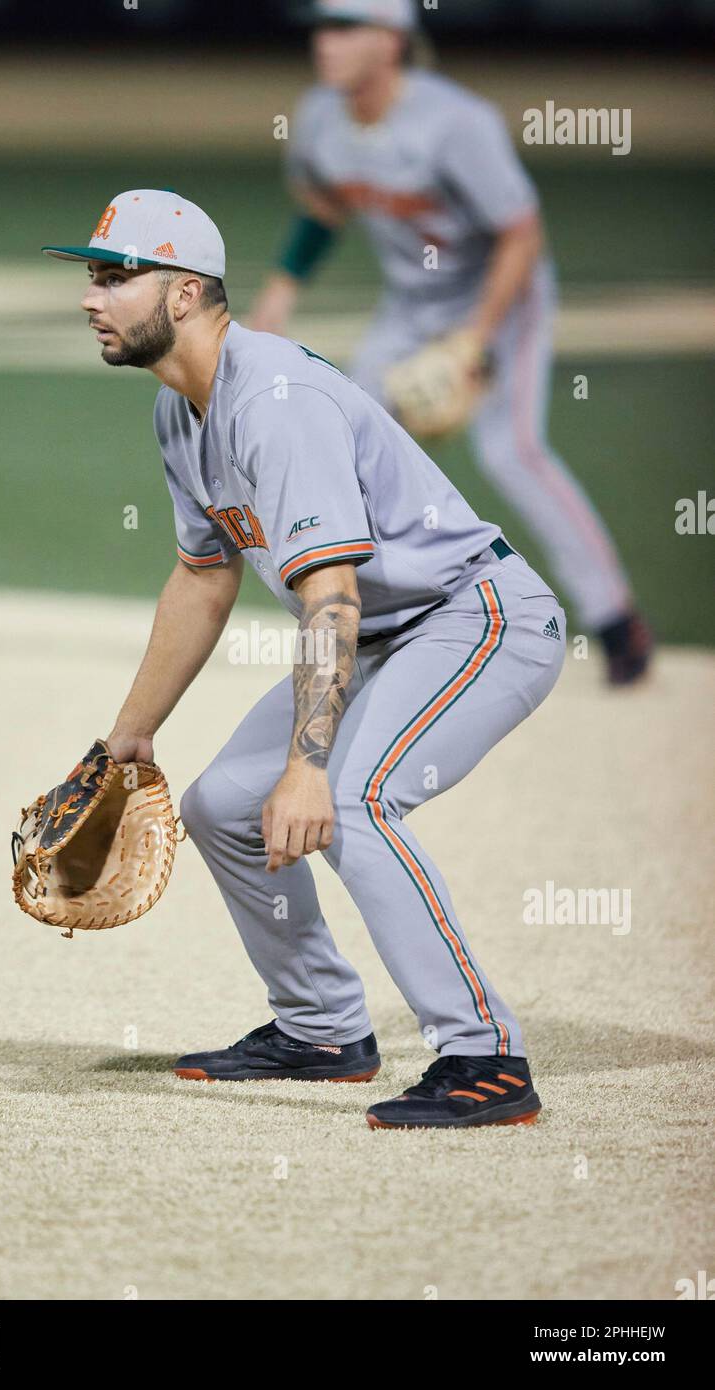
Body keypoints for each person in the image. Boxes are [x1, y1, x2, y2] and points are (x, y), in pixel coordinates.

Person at [43, 187, 564, 1129]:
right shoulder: (181, 412)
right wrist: (130, 736)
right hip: (377, 633)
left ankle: (486, 1055)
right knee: (220, 808)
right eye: (92, 275)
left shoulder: (274, 401)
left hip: (479, 619)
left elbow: (331, 595)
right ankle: (322, 1027)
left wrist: (308, 768)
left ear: (190, 293)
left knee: (353, 802)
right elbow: (203, 580)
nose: (92, 297)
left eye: (118, 277)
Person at [250, 0, 652, 684]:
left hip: (503, 299)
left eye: (345, 26)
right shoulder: (320, 117)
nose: (325, 41)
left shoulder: (454, 124)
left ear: (391, 40)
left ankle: (616, 621)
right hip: (412, 305)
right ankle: (385, 618)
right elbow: (324, 204)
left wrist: (474, 343)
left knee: (512, 452)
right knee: (346, 438)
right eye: (322, 26)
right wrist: (283, 288)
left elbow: (522, 235)